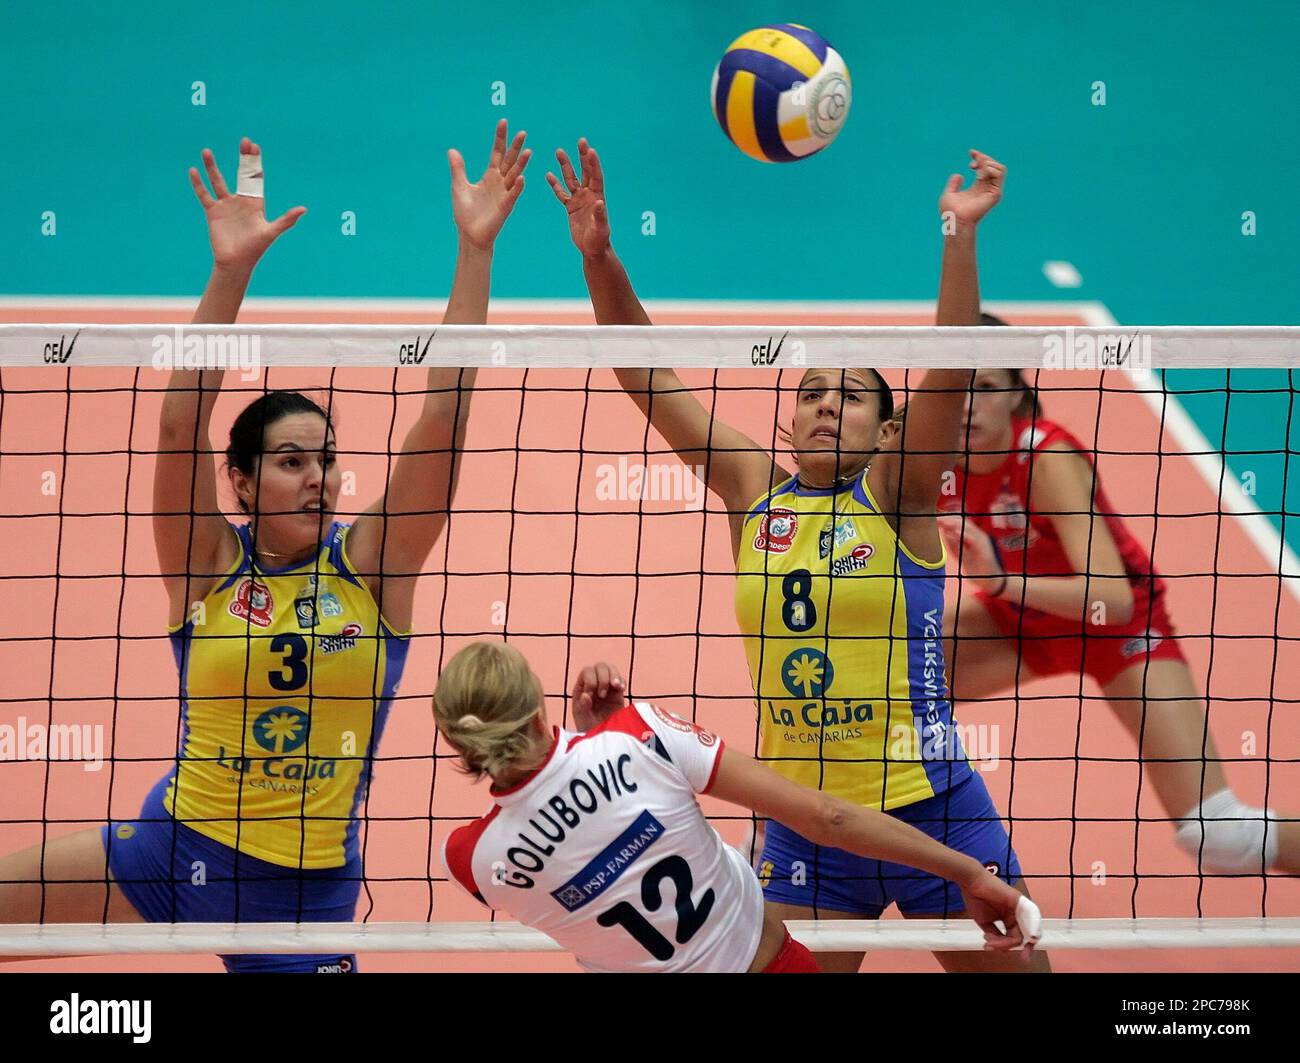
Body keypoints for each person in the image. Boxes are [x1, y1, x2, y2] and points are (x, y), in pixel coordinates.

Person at [0, 121, 532, 971]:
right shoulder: (207, 563)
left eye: (325, 459)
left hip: (298, 897)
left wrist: (475, 251)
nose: (316, 476)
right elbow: (179, 423)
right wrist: (230, 271)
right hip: (171, 851)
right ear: (242, 482)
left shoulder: (374, 568)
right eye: (290, 462)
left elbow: (445, 415)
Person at [546, 141, 1048, 972]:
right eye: (810, 394)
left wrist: (959, 234)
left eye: (849, 397)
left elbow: (952, 368)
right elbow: (646, 375)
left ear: (888, 432)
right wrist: (600, 256)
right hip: (808, 817)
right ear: (787, 422)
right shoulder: (756, 493)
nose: (824, 407)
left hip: (935, 809)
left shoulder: (897, 494)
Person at [435, 642, 1040, 972]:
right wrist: (966, 872)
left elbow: (561, 817)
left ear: (458, 746)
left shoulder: (473, 860)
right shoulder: (638, 733)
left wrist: (583, 746)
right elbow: (826, 818)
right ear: (540, 708)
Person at [937, 339, 1299, 874]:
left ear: (1016, 392)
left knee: (1219, 837)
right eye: (957, 385)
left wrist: (1003, 581)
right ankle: (803, 839)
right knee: (865, 681)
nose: (969, 403)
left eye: (987, 387)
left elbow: (1112, 596)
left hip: (1120, 634)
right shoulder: (922, 449)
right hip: (1019, 626)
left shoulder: (1045, 459)